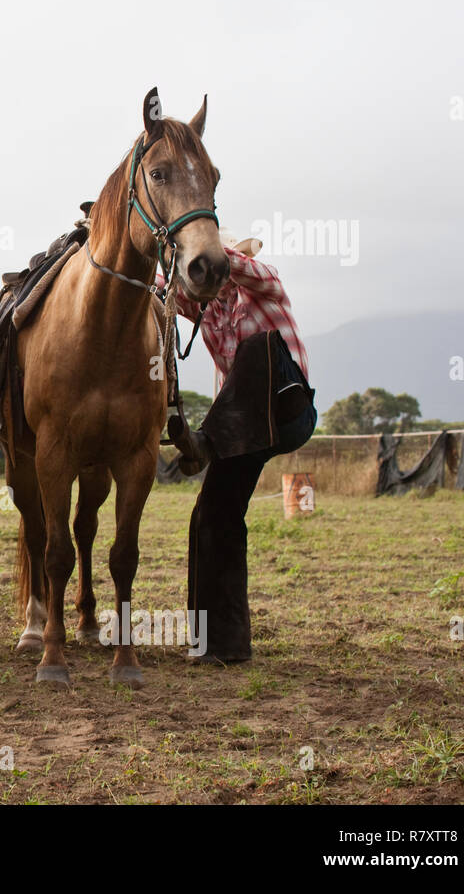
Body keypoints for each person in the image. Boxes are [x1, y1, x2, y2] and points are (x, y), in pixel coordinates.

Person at [159, 233, 317, 664]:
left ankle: (205, 440)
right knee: (211, 516)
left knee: (256, 350)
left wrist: (200, 248)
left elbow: (246, 269)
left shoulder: (264, 286)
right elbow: (159, 287)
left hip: (286, 409)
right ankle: (218, 643)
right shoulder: (205, 308)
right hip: (244, 427)